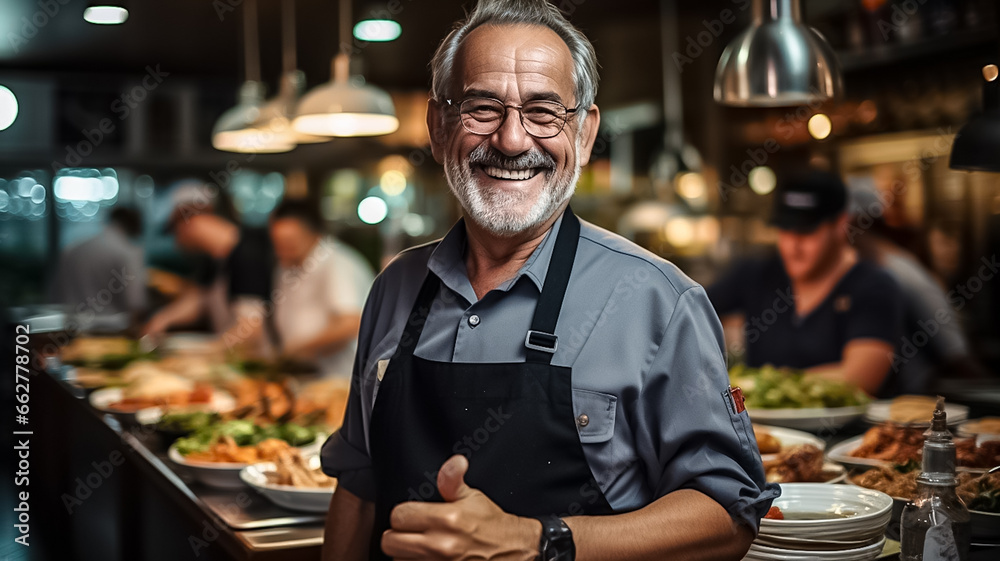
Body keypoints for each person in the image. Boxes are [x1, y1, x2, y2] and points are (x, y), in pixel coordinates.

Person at [320, 2, 777, 560]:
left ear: (584, 135)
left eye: (544, 113)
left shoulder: (659, 301)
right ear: (439, 129)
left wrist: (540, 540)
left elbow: (728, 515)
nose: (512, 140)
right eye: (482, 107)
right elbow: (359, 482)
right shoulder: (395, 288)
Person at [707, 170, 904, 397]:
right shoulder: (757, 274)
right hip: (763, 431)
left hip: (849, 432)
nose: (793, 245)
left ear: (840, 225)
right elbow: (687, 313)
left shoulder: (874, 286)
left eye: (806, 231)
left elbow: (860, 379)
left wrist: (764, 384)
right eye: (784, 229)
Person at [849, 185, 982, 394]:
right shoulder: (860, 271)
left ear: (853, 222)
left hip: (911, 400)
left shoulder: (900, 272)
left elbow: (955, 352)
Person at [142, 182, 274, 356]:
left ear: (190, 222)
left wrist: (207, 352)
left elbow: (251, 329)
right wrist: (162, 320)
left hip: (253, 364)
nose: (177, 242)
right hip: (228, 360)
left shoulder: (247, 255)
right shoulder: (213, 259)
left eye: (176, 231)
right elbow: (199, 300)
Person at [269, 199, 375, 378]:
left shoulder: (336, 263)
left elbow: (351, 322)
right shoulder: (287, 266)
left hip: (343, 379)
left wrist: (298, 349)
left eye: (289, 242)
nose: (282, 250)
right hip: (308, 375)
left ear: (314, 234)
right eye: (278, 243)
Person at [49, 206, 147, 333]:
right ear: (135, 226)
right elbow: (136, 303)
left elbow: (54, 295)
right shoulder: (129, 252)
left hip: (71, 329)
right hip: (112, 333)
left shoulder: (72, 249)